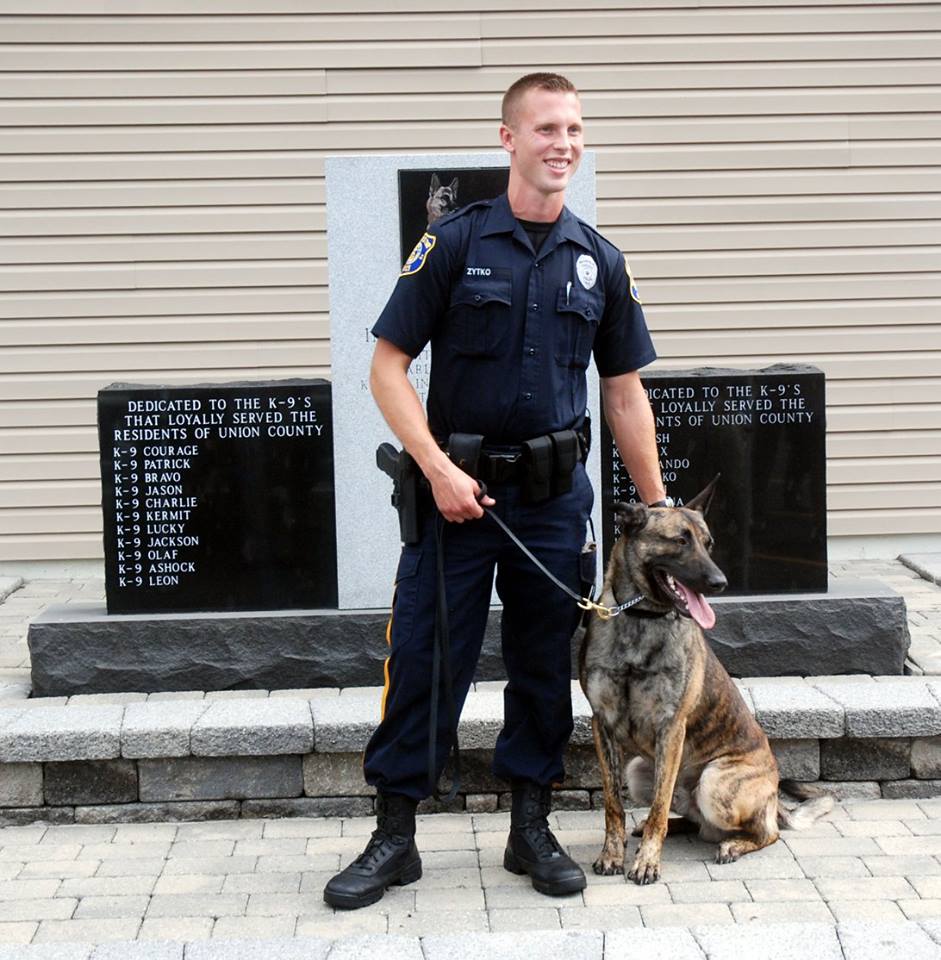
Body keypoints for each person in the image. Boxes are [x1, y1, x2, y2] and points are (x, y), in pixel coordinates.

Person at [323, 72, 668, 911]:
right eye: (546, 127)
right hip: (454, 503)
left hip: (554, 506)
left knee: (544, 669)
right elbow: (386, 367)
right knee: (425, 664)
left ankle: (530, 827)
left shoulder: (599, 260)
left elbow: (622, 391)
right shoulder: (453, 243)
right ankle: (395, 836)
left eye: (575, 128)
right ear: (508, 139)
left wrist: (658, 510)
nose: (564, 143)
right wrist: (437, 469)